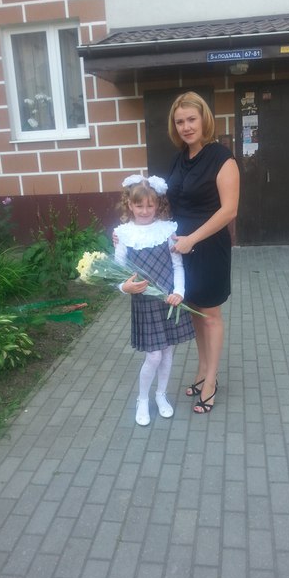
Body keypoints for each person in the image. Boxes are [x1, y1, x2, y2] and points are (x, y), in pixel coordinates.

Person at [166, 91, 240, 414]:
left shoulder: (222, 158)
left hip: (208, 247)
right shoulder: (179, 158)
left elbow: (229, 210)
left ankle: (211, 381)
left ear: (204, 119)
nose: (186, 127)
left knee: (210, 315)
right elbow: (169, 203)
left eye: (191, 119)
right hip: (182, 248)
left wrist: (192, 239)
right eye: (180, 121)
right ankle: (201, 370)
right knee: (194, 311)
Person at [114, 174, 195, 426]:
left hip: (169, 301)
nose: (145, 210)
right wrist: (124, 287)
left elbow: (177, 265)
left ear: (157, 204)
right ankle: (142, 399)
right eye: (139, 205)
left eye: (150, 205)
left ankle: (161, 395)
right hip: (145, 304)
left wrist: (179, 291)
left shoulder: (167, 230)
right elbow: (117, 272)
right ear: (130, 205)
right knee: (154, 356)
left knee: (167, 352)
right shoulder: (123, 234)